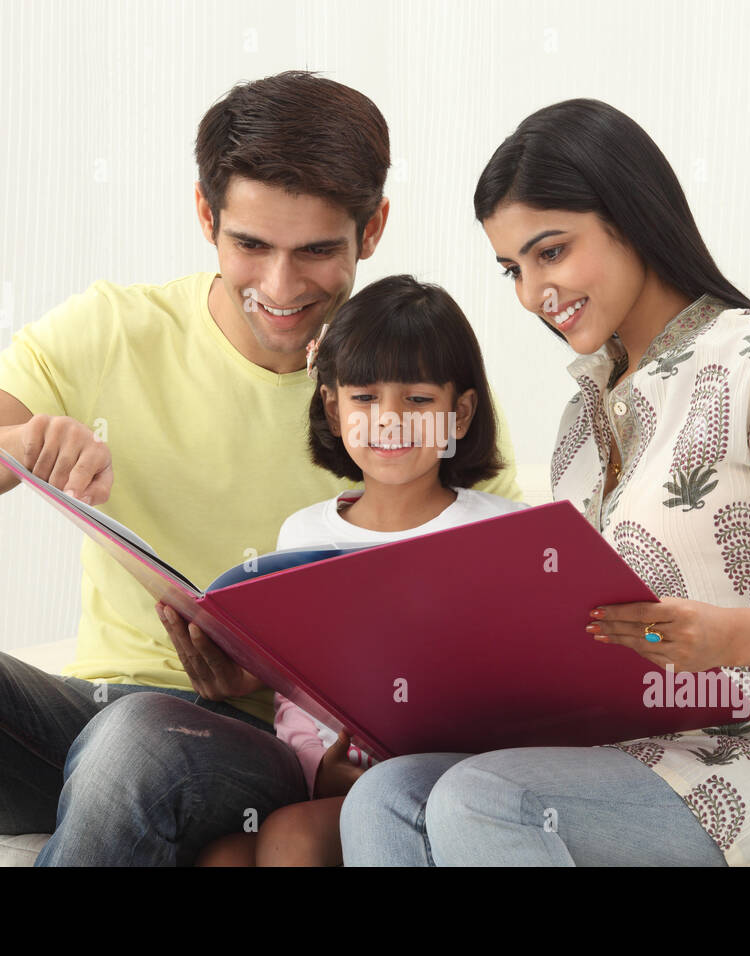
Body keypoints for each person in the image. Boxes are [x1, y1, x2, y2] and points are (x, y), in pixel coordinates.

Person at [0, 72, 522, 866]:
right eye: (251, 246)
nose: (282, 288)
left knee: (139, 736)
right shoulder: (110, 332)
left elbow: (480, 658)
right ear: (205, 215)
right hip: (83, 721)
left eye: (318, 252)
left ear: (374, 229)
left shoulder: (414, 398)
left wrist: (301, 678)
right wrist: (21, 447)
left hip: (266, 748)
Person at [340, 99, 750, 867]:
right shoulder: (583, 418)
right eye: (513, 269)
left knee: (486, 798)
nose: (534, 291)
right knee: (388, 795)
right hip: (629, 760)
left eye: (552, 252)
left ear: (630, 217)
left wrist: (720, 637)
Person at [184, 275, 527, 866]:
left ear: (460, 413)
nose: (389, 420)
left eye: (418, 400)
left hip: (455, 781)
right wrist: (322, 770)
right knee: (223, 857)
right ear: (333, 408)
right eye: (365, 398)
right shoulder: (303, 535)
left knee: (292, 838)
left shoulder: (504, 532)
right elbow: (297, 697)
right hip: (336, 780)